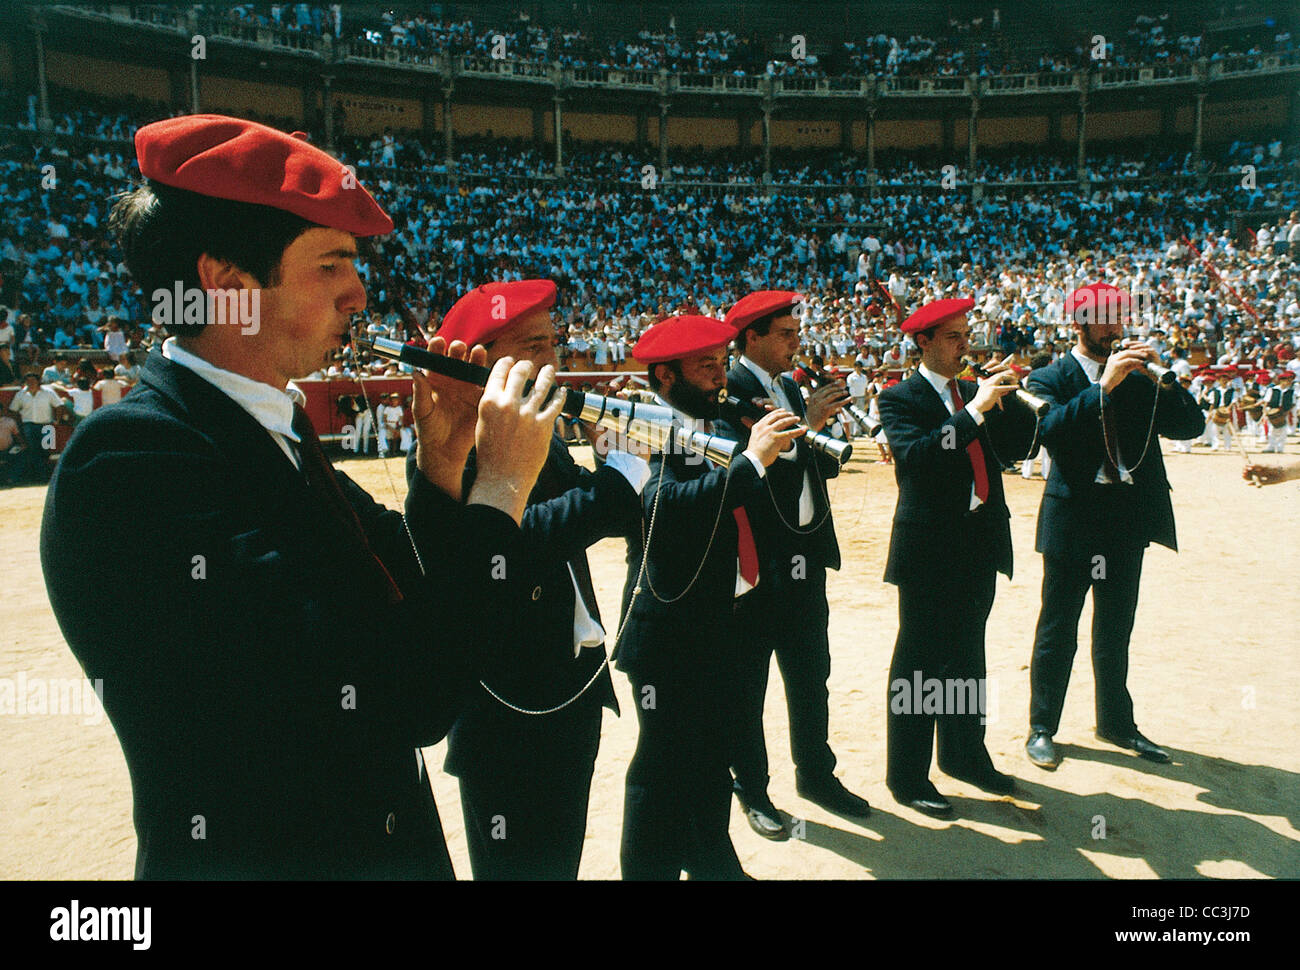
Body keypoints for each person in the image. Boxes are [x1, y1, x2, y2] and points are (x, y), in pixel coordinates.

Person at [40, 114, 563, 879]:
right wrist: (504, 486)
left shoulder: (262, 431)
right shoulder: (128, 462)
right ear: (227, 286)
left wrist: (445, 473)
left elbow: (430, 610)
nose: (359, 293)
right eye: (331, 265)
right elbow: (409, 694)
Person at [435, 279, 648, 880]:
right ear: (482, 358)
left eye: (552, 343)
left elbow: (571, 508)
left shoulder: (532, 425)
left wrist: (612, 459)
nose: (551, 361)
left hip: (567, 688)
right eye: (533, 346)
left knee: (558, 862)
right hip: (507, 707)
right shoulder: (461, 438)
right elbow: (510, 545)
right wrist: (620, 478)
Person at [616, 314, 801, 880]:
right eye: (706, 367)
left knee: (711, 756)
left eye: (722, 363)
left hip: (721, 620)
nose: (720, 378)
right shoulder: (636, 425)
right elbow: (663, 507)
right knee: (663, 764)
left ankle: (713, 862)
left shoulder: (714, 419)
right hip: (667, 630)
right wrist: (750, 462)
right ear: (665, 377)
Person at [1024, 283, 1205, 771]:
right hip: (1073, 518)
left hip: (1124, 521)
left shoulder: (1139, 377)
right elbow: (1050, 432)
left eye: (1120, 320)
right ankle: (1043, 727)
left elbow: (1191, 428)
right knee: (1058, 627)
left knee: (1115, 628)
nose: (1115, 330)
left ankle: (1116, 723)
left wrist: (1163, 378)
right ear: (1078, 324)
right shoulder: (1049, 376)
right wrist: (1102, 388)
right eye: (1105, 321)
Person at [877, 298, 1036, 818]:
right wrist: (974, 411)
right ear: (923, 343)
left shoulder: (975, 391)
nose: (964, 343)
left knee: (967, 657)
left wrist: (1009, 400)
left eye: (966, 333)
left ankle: (964, 754)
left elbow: (1022, 450)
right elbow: (920, 458)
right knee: (920, 664)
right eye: (952, 336)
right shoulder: (898, 398)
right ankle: (907, 775)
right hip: (929, 549)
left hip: (978, 542)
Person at [722, 290, 871, 840]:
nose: (795, 341)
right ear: (752, 338)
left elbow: (805, 467)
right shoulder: (730, 392)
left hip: (804, 554)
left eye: (794, 330)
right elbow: (755, 472)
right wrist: (807, 426)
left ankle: (815, 774)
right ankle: (752, 789)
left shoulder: (784, 384)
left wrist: (817, 436)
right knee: (748, 683)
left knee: (812, 676)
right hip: (760, 564)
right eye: (784, 333)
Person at [10, 373, 63, 482]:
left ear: (38, 381)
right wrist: (19, 424)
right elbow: (13, 410)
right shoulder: (21, 394)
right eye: (28, 381)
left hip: (47, 424)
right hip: (29, 425)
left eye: (33, 381)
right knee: (33, 450)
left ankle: (44, 476)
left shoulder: (48, 392)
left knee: (46, 450)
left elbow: (59, 405)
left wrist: (57, 420)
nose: (31, 383)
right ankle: (39, 477)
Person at [1261, 370, 1293, 453]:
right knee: (1271, 430)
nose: (1289, 382)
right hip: (1272, 411)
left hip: (1283, 411)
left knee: (1283, 431)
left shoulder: (1291, 391)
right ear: (1281, 381)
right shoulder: (1272, 389)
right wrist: (1265, 411)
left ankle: (1280, 448)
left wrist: (1286, 412)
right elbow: (1266, 401)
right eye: (1287, 380)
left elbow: (1292, 403)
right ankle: (1271, 447)